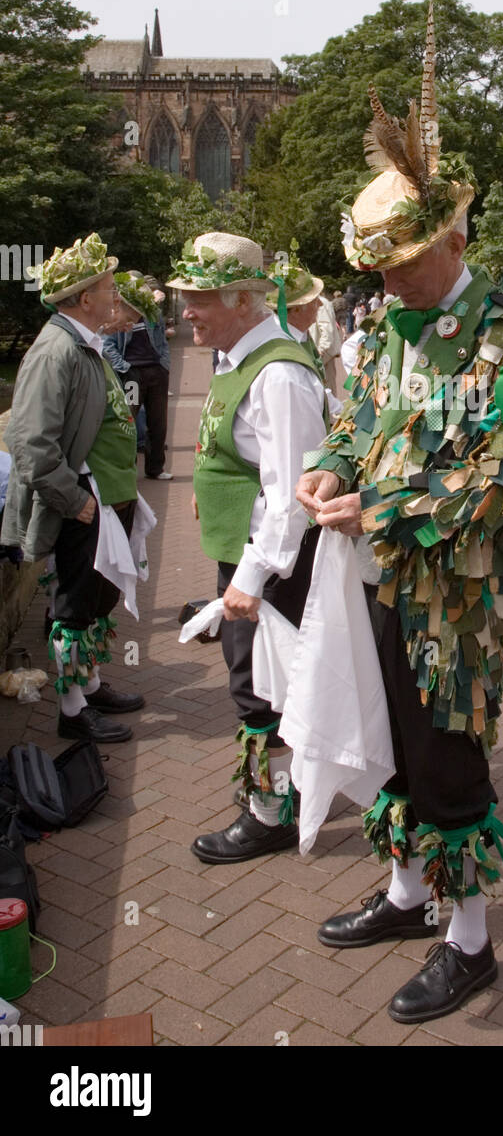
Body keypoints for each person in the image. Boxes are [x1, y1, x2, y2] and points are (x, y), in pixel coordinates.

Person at [296, 7, 503, 1024]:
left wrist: (386, 508)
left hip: (452, 594)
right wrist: (326, 473)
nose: (387, 280)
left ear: (454, 234)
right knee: (394, 743)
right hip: (371, 574)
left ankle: (471, 938)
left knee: (447, 753)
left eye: (403, 260)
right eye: (377, 267)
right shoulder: (374, 337)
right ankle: (409, 895)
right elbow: (353, 428)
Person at [167, 233, 331, 862]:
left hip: (270, 557)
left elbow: (294, 489)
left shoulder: (280, 373)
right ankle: (282, 799)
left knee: (259, 687)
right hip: (248, 547)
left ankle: (271, 813)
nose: (186, 311)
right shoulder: (241, 357)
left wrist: (253, 575)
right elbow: (246, 452)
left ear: (241, 298)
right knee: (265, 679)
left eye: (198, 298)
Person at [1, 234, 146, 743]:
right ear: (86, 298)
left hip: (106, 501)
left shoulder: (82, 343)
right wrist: (76, 500)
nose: (115, 296)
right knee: (74, 608)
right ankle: (71, 709)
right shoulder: (55, 350)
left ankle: (91, 684)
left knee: (95, 601)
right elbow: (31, 445)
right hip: (86, 504)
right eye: (108, 288)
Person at [103, 271, 172, 480]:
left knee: (158, 421)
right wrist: (125, 367)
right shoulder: (117, 317)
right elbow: (108, 346)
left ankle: (155, 469)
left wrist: (164, 364)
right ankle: (128, 469)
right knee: (129, 419)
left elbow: (162, 340)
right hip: (132, 375)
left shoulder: (153, 314)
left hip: (156, 373)